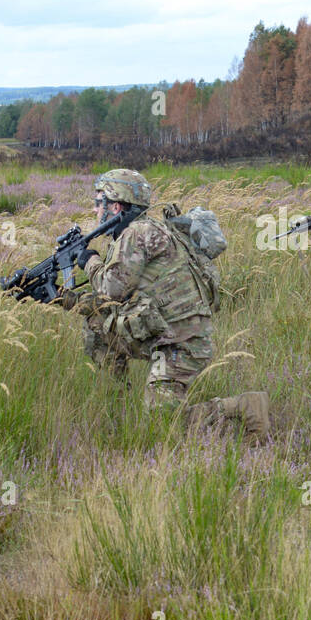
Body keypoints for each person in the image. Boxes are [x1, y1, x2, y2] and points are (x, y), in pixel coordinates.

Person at [54, 168, 270, 436]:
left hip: (181, 343)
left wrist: (89, 261)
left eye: (99, 203)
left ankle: (246, 406)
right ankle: (117, 414)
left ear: (116, 206)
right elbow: (109, 307)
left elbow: (110, 290)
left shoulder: (137, 234)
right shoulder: (144, 231)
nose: (96, 210)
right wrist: (60, 297)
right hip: (165, 335)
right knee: (97, 325)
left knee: (163, 422)